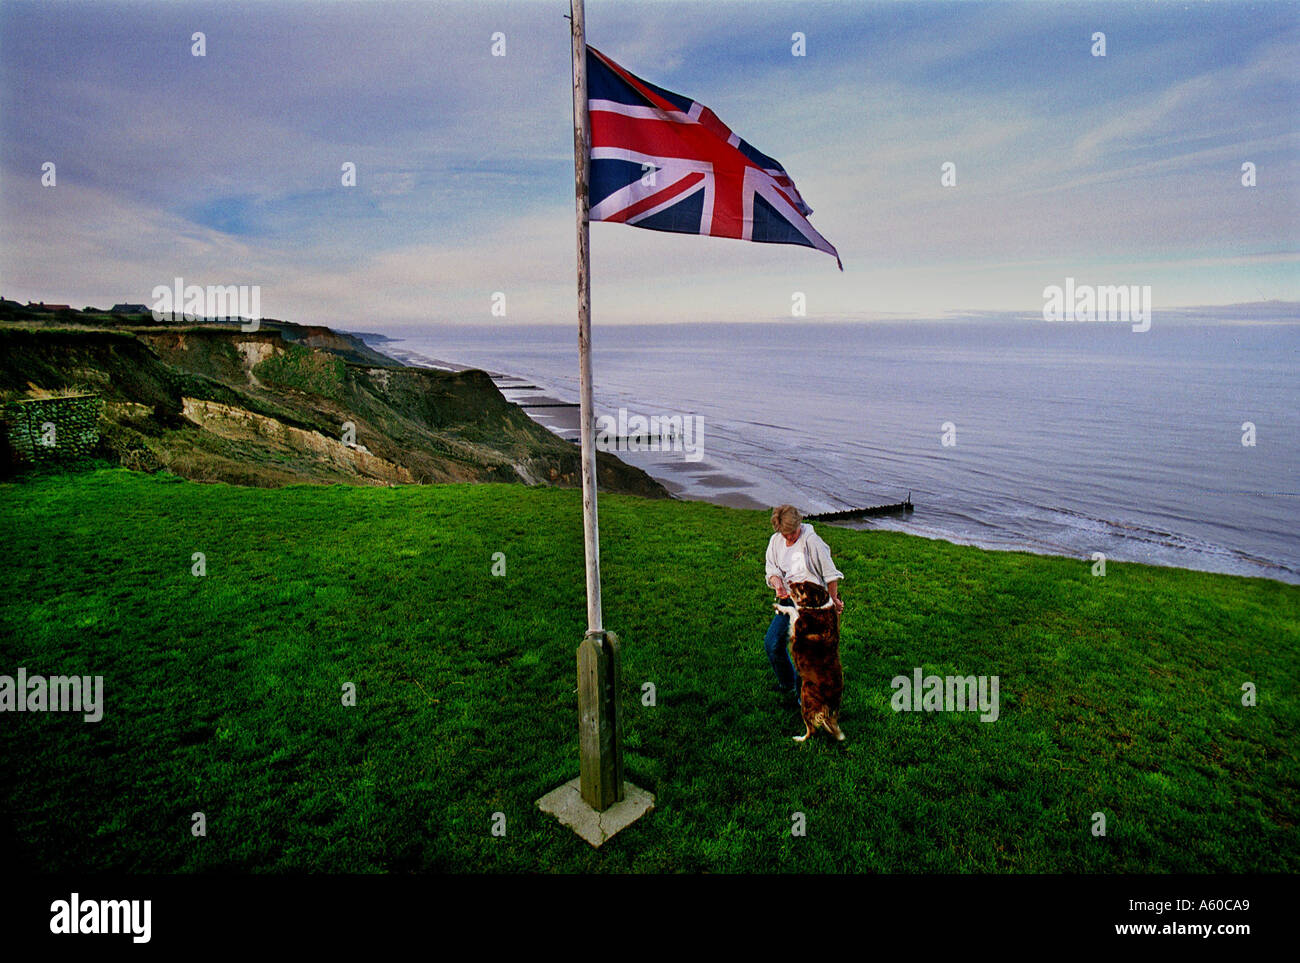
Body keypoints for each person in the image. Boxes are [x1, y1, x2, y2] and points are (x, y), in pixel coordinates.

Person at [763, 504, 844, 701]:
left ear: (799, 524)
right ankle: (788, 684)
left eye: (792, 533)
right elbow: (772, 570)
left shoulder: (811, 542)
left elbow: (830, 575)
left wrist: (833, 601)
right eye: (785, 534)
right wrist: (777, 584)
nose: (789, 537)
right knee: (772, 643)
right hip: (790, 600)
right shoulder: (776, 542)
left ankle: (805, 699)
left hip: (813, 605)